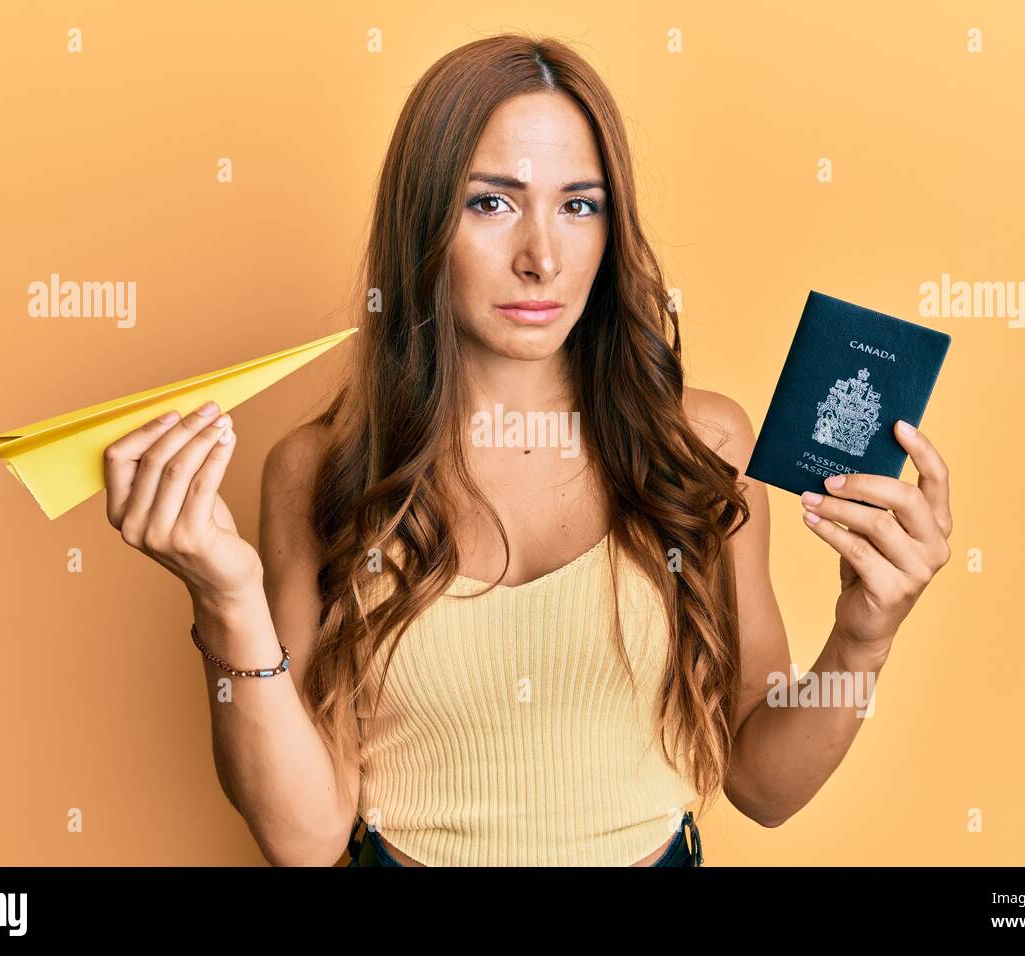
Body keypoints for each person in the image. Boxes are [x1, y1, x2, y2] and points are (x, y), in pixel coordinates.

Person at [101, 33, 953, 867]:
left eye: (578, 205)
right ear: (423, 223)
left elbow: (765, 787)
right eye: (491, 202)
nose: (541, 257)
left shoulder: (703, 444)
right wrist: (228, 598)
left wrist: (864, 636)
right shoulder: (319, 472)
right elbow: (306, 838)